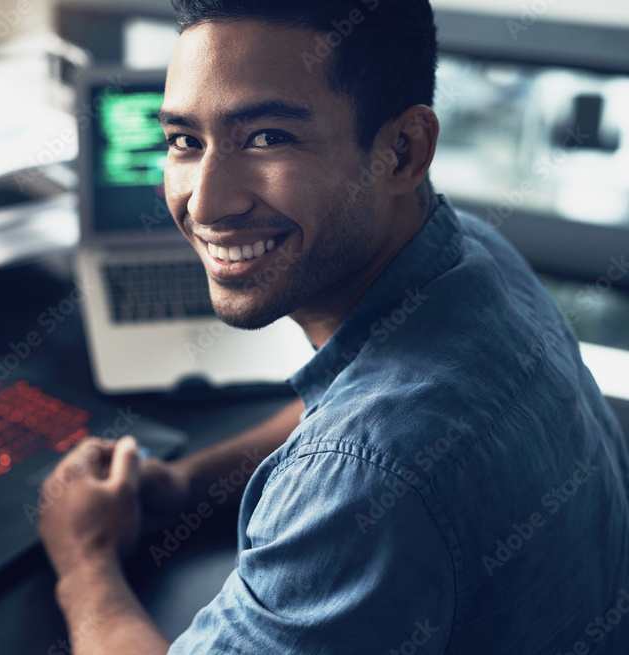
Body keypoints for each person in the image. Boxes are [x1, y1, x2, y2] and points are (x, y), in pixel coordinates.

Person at [36, 0, 629, 652]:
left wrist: (84, 561)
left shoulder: (366, 484)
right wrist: (186, 483)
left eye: (267, 138)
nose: (204, 202)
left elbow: (366, 450)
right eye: (185, 141)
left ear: (404, 152)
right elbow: (354, 398)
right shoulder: (477, 256)